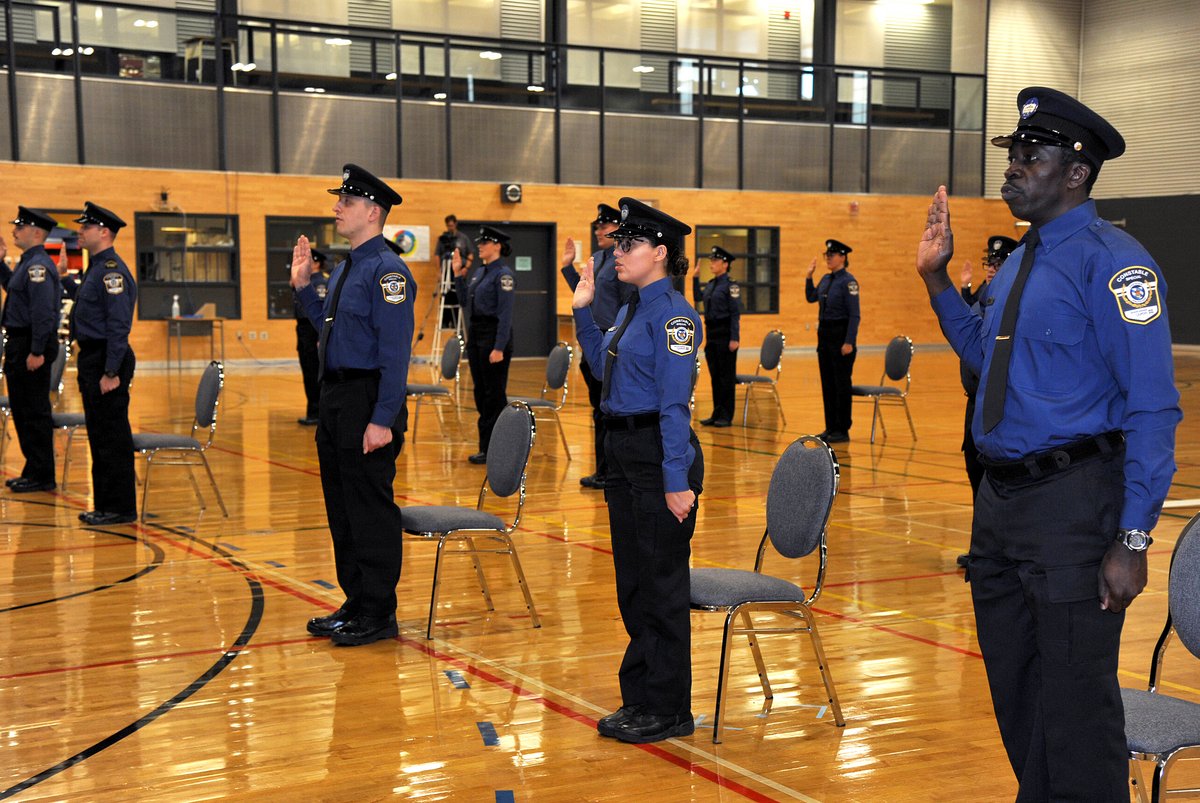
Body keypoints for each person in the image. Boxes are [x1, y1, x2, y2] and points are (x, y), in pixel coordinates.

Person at [917, 87, 1180, 800]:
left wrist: (1132, 536)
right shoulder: (1020, 264)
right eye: (1012, 152)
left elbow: (1155, 405)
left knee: (1075, 706)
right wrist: (937, 277)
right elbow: (980, 352)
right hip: (1001, 504)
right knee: (1019, 687)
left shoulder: (1115, 264)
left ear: (1077, 171)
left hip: (1073, 505)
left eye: (1031, 154)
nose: (1014, 167)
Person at [572, 197, 704, 744]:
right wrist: (583, 309)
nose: (616, 252)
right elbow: (600, 370)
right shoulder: (629, 310)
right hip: (625, 452)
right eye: (616, 243)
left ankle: (670, 707)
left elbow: (675, 403)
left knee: (661, 585)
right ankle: (642, 696)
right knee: (633, 585)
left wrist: (676, 479)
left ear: (660, 253)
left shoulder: (674, 316)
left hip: (658, 454)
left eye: (628, 245)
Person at [293, 164, 415, 647]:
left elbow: (394, 352)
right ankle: (356, 600)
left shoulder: (389, 271)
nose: (336, 208)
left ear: (372, 211)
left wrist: (382, 419)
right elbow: (329, 327)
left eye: (345, 201)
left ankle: (379, 610)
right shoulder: (347, 267)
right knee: (341, 506)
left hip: (368, 398)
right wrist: (304, 287)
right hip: (338, 397)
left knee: (369, 508)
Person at [71, 202, 138, 525]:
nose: (80, 231)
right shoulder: (96, 267)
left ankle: (120, 507)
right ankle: (106, 504)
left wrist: (111, 370)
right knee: (100, 435)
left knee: (111, 436)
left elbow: (118, 324)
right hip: (94, 358)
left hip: (106, 360)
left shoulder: (112, 271)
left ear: (104, 232)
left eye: (85, 227)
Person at [560, 202, 632, 488]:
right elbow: (584, 289)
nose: (599, 230)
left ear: (617, 227)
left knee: (606, 411)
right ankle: (603, 468)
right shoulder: (600, 257)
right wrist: (567, 268)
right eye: (597, 227)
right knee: (598, 410)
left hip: (610, 338)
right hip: (594, 338)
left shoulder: (621, 260)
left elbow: (628, 302)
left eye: (604, 226)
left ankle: (609, 470)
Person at [0, 207, 62, 493]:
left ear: (36, 232)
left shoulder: (38, 266)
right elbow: (14, 289)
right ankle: (34, 469)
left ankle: (42, 474)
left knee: (34, 411)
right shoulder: (28, 264)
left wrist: (37, 350)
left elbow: (42, 313)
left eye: (20, 227)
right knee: (23, 410)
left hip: (29, 344)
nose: (14, 231)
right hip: (20, 344)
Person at [959, 235, 1018, 499]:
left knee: (992, 485)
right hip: (974, 405)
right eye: (989, 262)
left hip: (998, 405)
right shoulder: (983, 298)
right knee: (974, 474)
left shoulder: (1013, 301)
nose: (992, 268)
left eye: (999, 262)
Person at [452, 226, 515, 465]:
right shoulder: (480, 272)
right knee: (481, 393)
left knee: (494, 396)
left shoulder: (503, 275)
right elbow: (463, 300)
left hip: (493, 336)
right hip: (477, 335)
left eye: (485, 242)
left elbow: (505, 315)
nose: (479, 246)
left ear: (497, 245)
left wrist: (499, 347)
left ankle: (498, 450)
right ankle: (486, 448)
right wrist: (458, 274)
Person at [805, 239, 859, 443]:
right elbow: (811, 297)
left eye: (832, 255)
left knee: (841, 385)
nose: (828, 258)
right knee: (828, 384)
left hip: (841, 336)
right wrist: (809, 276)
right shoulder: (826, 279)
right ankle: (830, 427)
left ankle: (842, 429)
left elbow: (855, 315)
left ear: (842, 257)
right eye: (826, 255)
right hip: (825, 337)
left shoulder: (849, 282)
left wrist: (849, 341)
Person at [696, 245, 741, 427]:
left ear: (725, 263)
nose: (711, 264)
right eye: (711, 260)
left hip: (725, 334)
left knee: (726, 378)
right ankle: (716, 413)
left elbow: (735, 313)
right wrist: (695, 278)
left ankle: (726, 415)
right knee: (715, 376)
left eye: (715, 260)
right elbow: (699, 298)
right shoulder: (711, 284)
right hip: (712, 334)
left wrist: (734, 338)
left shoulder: (731, 286)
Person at [295, 248, 330, 425]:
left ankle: (317, 412)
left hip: (313, 330)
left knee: (314, 372)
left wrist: (320, 336)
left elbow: (321, 311)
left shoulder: (320, 282)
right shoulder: (306, 281)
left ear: (316, 263)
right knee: (308, 372)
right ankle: (312, 411)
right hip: (303, 330)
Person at [435, 214, 473, 329]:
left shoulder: (463, 238)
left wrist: (466, 267)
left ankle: (456, 322)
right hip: (446, 271)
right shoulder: (443, 239)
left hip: (459, 271)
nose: (450, 228)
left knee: (458, 295)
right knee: (446, 295)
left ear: (455, 224)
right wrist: (439, 271)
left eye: (451, 225)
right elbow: (437, 255)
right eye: (448, 226)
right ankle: (445, 322)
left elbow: (470, 253)